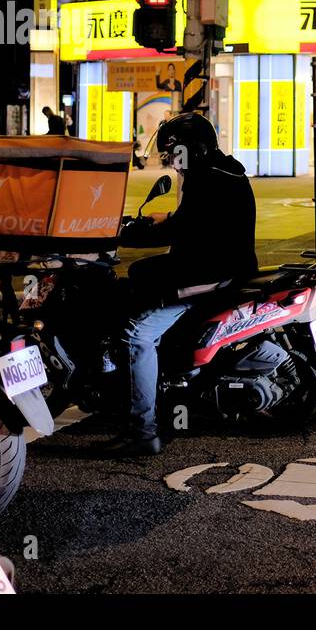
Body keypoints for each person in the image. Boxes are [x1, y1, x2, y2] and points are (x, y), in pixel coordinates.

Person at [107, 112, 257, 455]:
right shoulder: (224, 172)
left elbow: (183, 231)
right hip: (221, 264)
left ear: (196, 149)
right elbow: (199, 222)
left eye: (176, 155)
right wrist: (166, 220)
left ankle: (142, 432)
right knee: (141, 275)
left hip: (212, 273)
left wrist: (127, 235)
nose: (174, 164)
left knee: (135, 334)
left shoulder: (207, 179)